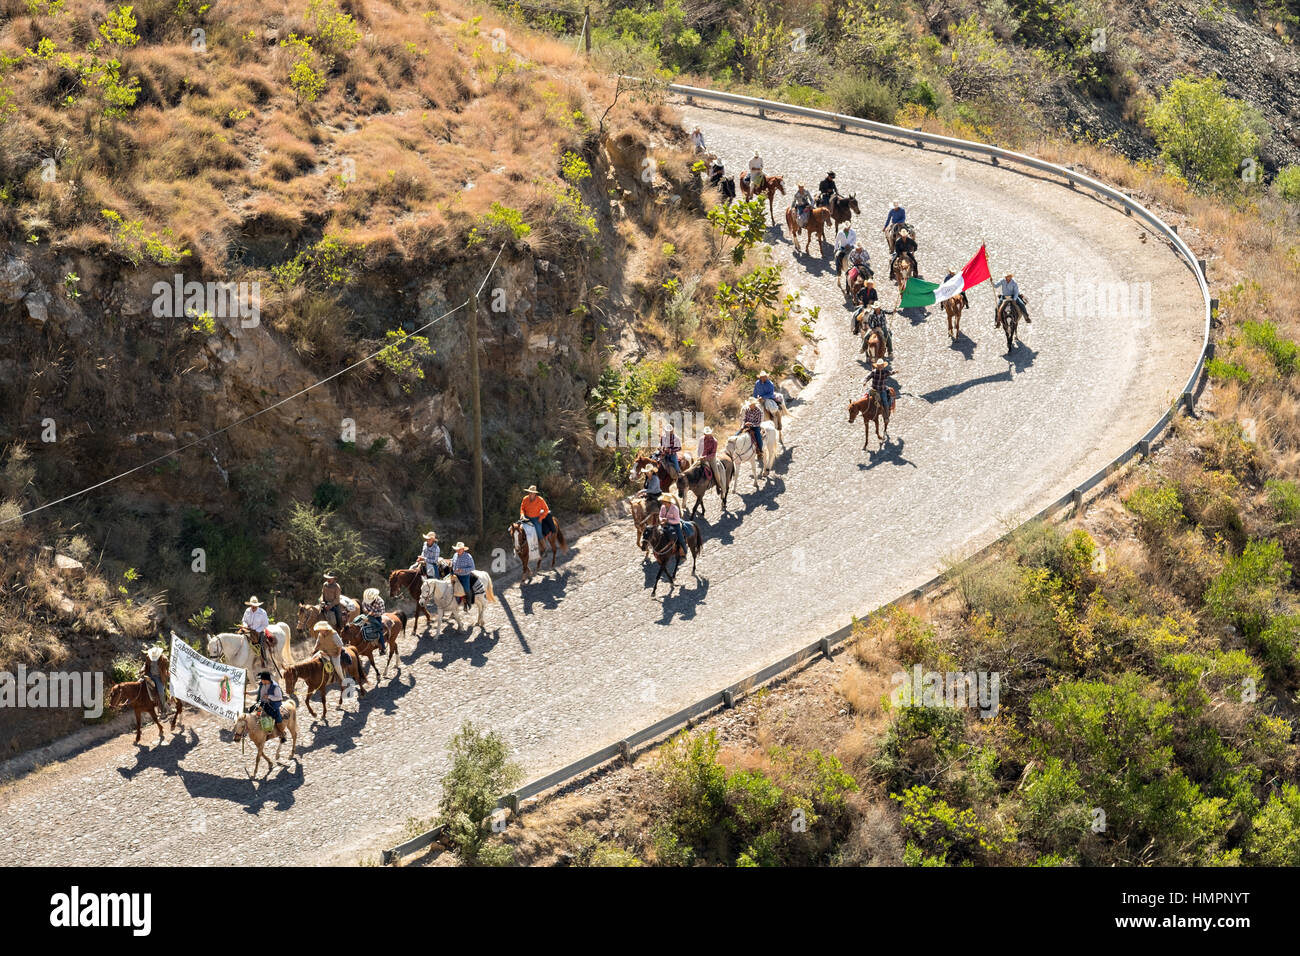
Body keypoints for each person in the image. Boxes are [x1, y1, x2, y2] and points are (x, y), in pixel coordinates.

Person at [253, 671, 287, 743]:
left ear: (266, 680)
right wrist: (247, 693)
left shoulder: (275, 687)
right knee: (256, 716)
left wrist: (269, 696)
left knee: (278, 719)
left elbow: (279, 698)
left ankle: (282, 733)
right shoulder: (262, 684)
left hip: (272, 705)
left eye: (262, 679)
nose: (261, 680)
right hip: (262, 704)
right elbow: (257, 691)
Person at [240, 596, 273, 667]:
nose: (253, 607)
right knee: (238, 637)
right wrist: (245, 625)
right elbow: (244, 620)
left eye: (255, 605)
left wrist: (257, 630)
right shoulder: (247, 610)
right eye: (252, 605)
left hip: (259, 631)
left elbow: (265, 624)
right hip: (248, 630)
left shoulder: (262, 612)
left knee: (261, 645)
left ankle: (264, 660)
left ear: (257, 605)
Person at [657, 491, 690, 557]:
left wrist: (667, 520)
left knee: (681, 538)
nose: (662, 502)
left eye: (664, 501)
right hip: (665, 524)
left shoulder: (675, 509)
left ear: (668, 502)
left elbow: (677, 521)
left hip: (675, 525)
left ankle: (684, 551)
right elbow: (660, 515)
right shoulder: (663, 507)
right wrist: (661, 520)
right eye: (662, 501)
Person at [142, 645, 169, 717]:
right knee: (139, 682)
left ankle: (163, 710)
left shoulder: (164, 659)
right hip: (149, 674)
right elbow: (145, 664)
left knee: (161, 693)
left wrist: (167, 672)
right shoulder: (148, 657)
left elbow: (167, 667)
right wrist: (142, 669)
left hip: (158, 677)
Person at [361, 587, 386, 654]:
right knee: (358, 624)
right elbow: (363, 605)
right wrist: (365, 610)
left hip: (376, 616)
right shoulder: (366, 598)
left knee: (379, 630)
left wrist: (374, 614)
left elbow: (382, 612)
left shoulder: (380, 601)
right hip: (367, 615)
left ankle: (382, 648)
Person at [450, 542, 476, 607]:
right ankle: (454, 602)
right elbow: (453, 562)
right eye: (457, 549)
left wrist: (462, 570)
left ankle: (469, 602)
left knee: (466, 589)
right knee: (450, 588)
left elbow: (472, 567)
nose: (458, 550)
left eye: (459, 549)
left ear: (463, 549)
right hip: (456, 575)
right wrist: (451, 564)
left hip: (465, 576)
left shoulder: (468, 557)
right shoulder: (455, 555)